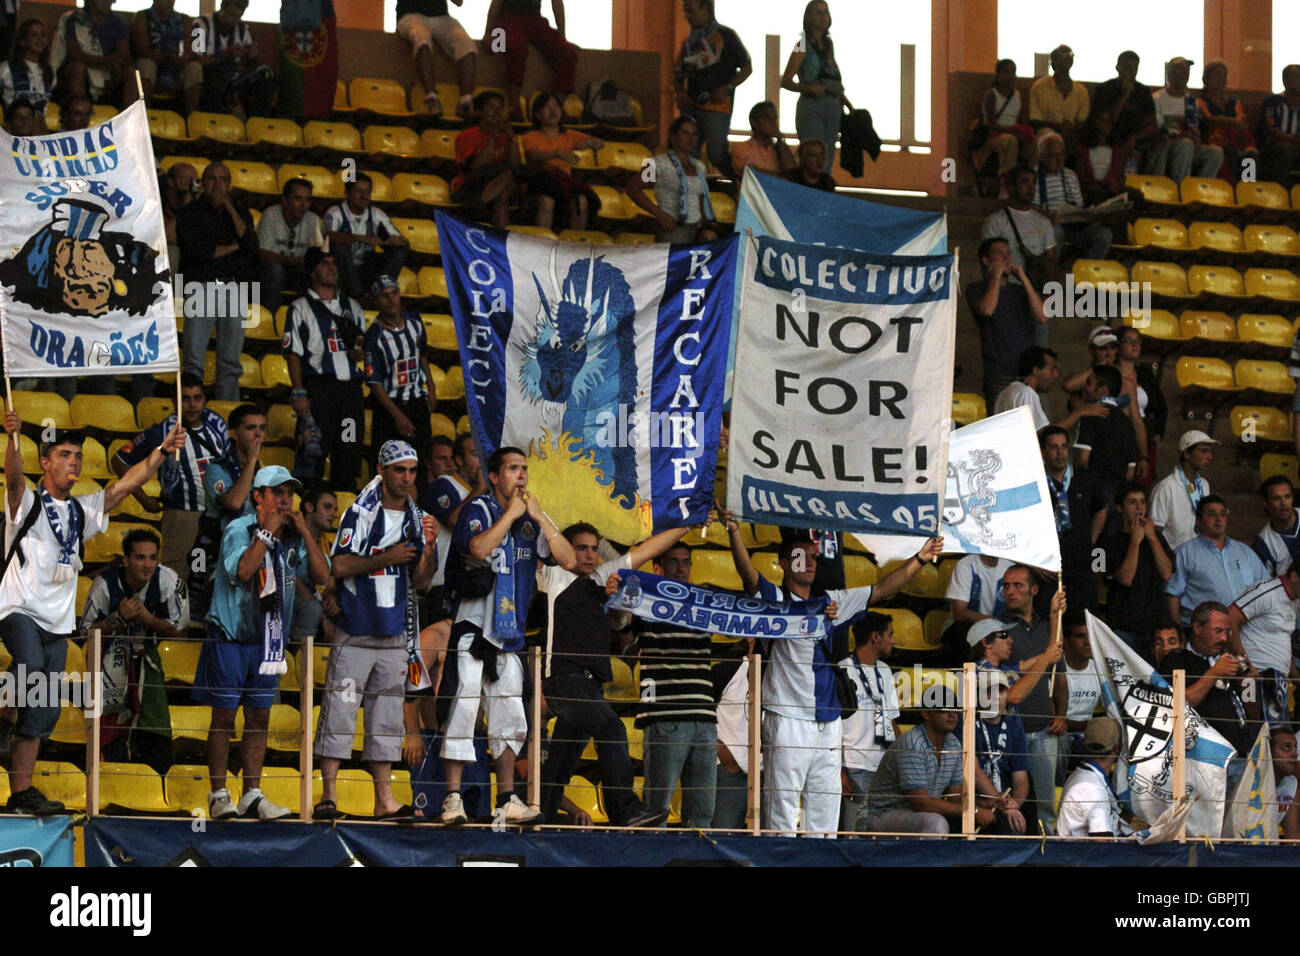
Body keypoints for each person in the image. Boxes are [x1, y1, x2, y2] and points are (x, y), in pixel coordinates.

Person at [1, 411, 184, 815]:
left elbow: (125, 484)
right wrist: (13, 440)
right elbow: (13, 480)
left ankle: (21, 792)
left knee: (44, 706)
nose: (74, 462)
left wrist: (161, 451)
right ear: (45, 462)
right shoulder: (28, 502)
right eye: (64, 454)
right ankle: (2, 712)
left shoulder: (81, 512)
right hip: (19, 609)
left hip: (57, 622)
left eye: (78, 456)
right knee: (29, 667)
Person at [729, 520, 943, 837]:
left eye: (814, 557)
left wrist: (920, 559)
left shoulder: (832, 602)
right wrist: (734, 532)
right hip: (788, 717)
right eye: (801, 556)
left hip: (829, 722)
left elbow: (883, 589)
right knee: (782, 815)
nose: (810, 562)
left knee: (825, 815)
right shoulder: (775, 599)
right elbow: (748, 576)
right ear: (784, 563)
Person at [438, 446, 575, 826]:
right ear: (495, 476)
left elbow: (569, 560)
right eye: (513, 469)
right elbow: (479, 548)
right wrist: (512, 514)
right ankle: (452, 799)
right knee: (462, 708)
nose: (521, 476)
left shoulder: (532, 518)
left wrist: (540, 519)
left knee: (510, 715)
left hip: (509, 633)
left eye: (524, 469)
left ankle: (507, 798)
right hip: (473, 627)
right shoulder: (478, 509)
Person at [196, 465, 331, 820]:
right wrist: (266, 535)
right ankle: (218, 793)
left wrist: (305, 530)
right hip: (231, 635)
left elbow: (322, 576)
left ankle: (251, 794)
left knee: (259, 717)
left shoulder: (294, 534)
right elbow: (242, 571)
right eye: (278, 493)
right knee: (224, 717)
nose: (286, 500)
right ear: (259, 496)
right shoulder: (238, 529)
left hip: (268, 642)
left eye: (290, 493)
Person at [315, 441, 439, 820]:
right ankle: (328, 796)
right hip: (356, 630)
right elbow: (338, 566)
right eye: (399, 470)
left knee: (386, 719)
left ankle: (384, 800)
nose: (406, 478)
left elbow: (421, 581)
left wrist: (429, 546)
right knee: (340, 711)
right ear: (383, 472)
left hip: (394, 635)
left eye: (412, 471)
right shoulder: (359, 512)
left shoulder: (418, 519)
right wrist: (388, 558)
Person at [538, 523, 689, 828]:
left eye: (595, 548)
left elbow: (648, 550)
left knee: (560, 763)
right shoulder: (553, 577)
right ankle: (624, 811)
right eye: (582, 547)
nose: (591, 555)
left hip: (590, 684)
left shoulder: (604, 579)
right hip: (565, 679)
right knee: (612, 728)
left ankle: (542, 818)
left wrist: (687, 526)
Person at [623, 540, 718, 827]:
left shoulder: (705, 600)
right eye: (674, 561)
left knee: (703, 814)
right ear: (658, 566)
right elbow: (621, 625)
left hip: (704, 718)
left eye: (686, 561)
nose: (681, 568)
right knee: (656, 811)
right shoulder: (644, 600)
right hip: (664, 716)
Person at [79, 528, 188, 774]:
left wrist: (147, 619)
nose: (147, 564)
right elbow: (87, 632)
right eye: (140, 557)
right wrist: (118, 618)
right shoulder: (104, 585)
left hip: (146, 658)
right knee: (108, 728)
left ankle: (154, 781)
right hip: (108, 659)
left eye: (152, 557)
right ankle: (108, 780)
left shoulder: (168, 580)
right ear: (126, 560)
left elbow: (176, 629)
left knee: (156, 726)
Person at [112, 372, 231, 586]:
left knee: (213, 581)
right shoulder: (163, 432)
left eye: (197, 398)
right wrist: (144, 499)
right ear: (174, 401)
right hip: (182, 518)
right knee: (176, 580)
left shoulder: (218, 425)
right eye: (185, 399)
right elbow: (120, 460)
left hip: (219, 517)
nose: (192, 405)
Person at [283, 247, 368, 494]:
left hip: (351, 395)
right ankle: (308, 506)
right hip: (320, 391)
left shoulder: (352, 306)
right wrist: (298, 392)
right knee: (313, 454)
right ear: (312, 272)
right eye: (324, 263)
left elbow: (360, 346)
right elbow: (293, 352)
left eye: (333, 263)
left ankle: (345, 509)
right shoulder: (299, 307)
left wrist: (358, 354)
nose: (331, 267)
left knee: (349, 450)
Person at [176, 161, 258, 402]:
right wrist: (235, 245)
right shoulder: (190, 212)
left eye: (223, 179)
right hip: (200, 286)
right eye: (212, 178)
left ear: (229, 185)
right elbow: (197, 252)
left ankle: (228, 410)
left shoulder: (240, 212)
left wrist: (230, 210)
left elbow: (252, 248)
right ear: (202, 182)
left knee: (231, 362)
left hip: (234, 287)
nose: (217, 184)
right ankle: (189, 409)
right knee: (193, 359)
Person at [1161, 601, 1261, 792]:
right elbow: (1179, 705)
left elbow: (1253, 715)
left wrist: (1248, 683)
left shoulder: (1230, 661)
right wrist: (1214, 673)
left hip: (1241, 756)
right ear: (1198, 627)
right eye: (1218, 631)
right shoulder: (1177, 659)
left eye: (1228, 632)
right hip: (1204, 763)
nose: (1224, 638)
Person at [998, 564, 1068, 833]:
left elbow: (1058, 675)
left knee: (1046, 806)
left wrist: (1061, 714)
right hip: (1009, 729)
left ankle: (1047, 855)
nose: (1010, 591)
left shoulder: (1047, 627)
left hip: (1042, 729)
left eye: (1017, 585)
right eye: (1005, 585)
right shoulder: (998, 630)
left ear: (1034, 590)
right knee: (1007, 803)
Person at [864, 691, 992, 835]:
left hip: (917, 815)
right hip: (883, 815)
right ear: (926, 713)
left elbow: (954, 796)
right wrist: (973, 811)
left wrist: (984, 804)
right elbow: (921, 803)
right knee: (935, 823)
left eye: (955, 709)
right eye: (944, 709)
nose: (952, 714)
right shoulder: (912, 743)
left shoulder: (953, 743)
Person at [364, 274, 436, 473]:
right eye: (384, 295)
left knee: (421, 462)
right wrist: (398, 416)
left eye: (394, 293)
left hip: (417, 402)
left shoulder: (415, 321)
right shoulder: (373, 336)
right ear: (376, 301)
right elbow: (374, 382)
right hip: (389, 408)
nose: (391, 299)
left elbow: (422, 356)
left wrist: (431, 388)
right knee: (388, 467)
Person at [966, 237, 1047, 408]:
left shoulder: (1019, 290)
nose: (1006, 258)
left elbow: (1041, 317)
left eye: (1008, 254)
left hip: (1026, 372)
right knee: (1001, 426)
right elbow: (987, 309)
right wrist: (995, 275)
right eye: (999, 254)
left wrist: (1024, 279)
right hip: (998, 371)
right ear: (986, 260)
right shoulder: (976, 289)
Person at [839, 612, 901, 832]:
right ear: (875, 637)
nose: (893, 640)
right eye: (890, 634)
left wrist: (901, 757)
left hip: (884, 767)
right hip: (854, 764)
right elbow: (830, 724)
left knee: (881, 832)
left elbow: (892, 719)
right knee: (855, 831)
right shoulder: (842, 669)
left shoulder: (884, 671)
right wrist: (838, 770)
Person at [674, 0, 750, 177]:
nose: (687, 17)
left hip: (716, 107)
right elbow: (678, 72)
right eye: (685, 12)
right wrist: (679, 93)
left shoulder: (726, 36)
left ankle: (740, 184)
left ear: (705, 8)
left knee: (716, 154)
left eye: (691, 11)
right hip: (691, 104)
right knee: (687, 154)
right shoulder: (688, 42)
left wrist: (728, 87)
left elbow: (747, 68)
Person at [1165, 495, 1268, 626]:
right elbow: (1173, 595)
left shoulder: (1244, 551)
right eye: (1212, 514)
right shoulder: (1184, 553)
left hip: (1245, 630)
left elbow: (1264, 587)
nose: (1218, 519)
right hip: (1203, 632)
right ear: (1198, 521)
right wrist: (1178, 629)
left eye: (1223, 514)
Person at [1099, 483, 1174, 655]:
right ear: (1119, 507)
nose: (1139, 507)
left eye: (1142, 502)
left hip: (1154, 625)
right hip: (1123, 625)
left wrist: (1152, 538)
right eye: (1133, 502)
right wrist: (1135, 541)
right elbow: (1125, 578)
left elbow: (1167, 573)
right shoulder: (1107, 542)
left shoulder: (1157, 538)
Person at [1040, 425, 1107, 616]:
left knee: (1082, 624)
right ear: (1043, 452)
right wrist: (1033, 565)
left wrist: (1090, 539)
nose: (1060, 453)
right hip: (1048, 568)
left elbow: (1101, 509)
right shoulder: (1034, 482)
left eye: (1063, 447)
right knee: (1051, 624)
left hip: (1081, 564)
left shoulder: (1084, 478)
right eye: (1054, 447)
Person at [957, 670, 1030, 834]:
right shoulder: (966, 722)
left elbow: (1021, 777)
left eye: (1001, 690)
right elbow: (972, 769)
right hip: (974, 801)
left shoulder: (1013, 725)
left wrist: (1014, 805)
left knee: (1015, 823)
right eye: (989, 691)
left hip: (1003, 803)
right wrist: (1002, 802)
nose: (996, 696)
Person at [626, 115, 719, 244]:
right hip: (673, 229)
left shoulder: (700, 166)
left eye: (694, 134)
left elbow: (702, 199)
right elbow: (633, 188)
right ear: (673, 136)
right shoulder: (657, 162)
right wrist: (659, 214)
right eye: (685, 133)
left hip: (698, 230)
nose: (690, 138)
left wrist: (708, 226)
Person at [519, 91, 603, 232]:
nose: (553, 111)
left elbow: (600, 143)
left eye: (556, 106)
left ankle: (576, 246)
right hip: (539, 186)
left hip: (563, 186)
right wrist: (557, 153)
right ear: (537, 114)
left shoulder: (568, 135)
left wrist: (590, 143)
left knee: (581, 200)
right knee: (547, 201)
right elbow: (533, 156)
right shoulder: (531, 136)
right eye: (547, 107)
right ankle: (542, 243)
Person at [780, 1, 848, 175]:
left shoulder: (828, 45)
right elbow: (786, 80)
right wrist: (808, 88)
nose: (823, 16)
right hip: (812, 105)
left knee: (827, 155)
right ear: (808, 17)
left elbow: (832, 78)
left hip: (833, 103)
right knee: (812, 154)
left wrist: (846, 103)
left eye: (825, 12)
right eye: (818, 13)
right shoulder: (802, 44)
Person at [1228, 567, 1300, 726]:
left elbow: (1279, 642)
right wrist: (1244, 663)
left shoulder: (1294, 600)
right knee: (1254, 732)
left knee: (1277, 739)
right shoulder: (1268, 591)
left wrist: (1296, 677)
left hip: (1277, 685)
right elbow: (1231, 616)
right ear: (1294, 576)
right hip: (1250, 679)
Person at [484, 0, 577, 122]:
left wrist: (562, 37)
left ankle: (557, 107)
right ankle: (514, 106)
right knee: (516, 47)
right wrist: (488, 32)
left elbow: (557, 2)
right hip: (508, 19)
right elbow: (496, 2)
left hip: (534, 20)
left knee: (568, 53)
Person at [323, 173, 407, 301]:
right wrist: (362, 238)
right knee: (339, 249)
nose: (364, 197)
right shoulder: (335, 212)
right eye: (359, 191)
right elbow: (329, 237)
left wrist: (390, 242)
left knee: (399, 251)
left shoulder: (376, 214)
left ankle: (382, 291)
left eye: (367, 192)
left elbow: (403, 242)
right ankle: (358, 297)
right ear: (347, 193)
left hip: (366, 271)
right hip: (340, 273)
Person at [979, 164, 1057, 299]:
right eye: (1024, 182)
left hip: (1035, 292)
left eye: (1033, 183)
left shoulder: (1044, 222)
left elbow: (1051, 261)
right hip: (1006, 291)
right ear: (1010, 187)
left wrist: (1046, 297)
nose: (1031, 188)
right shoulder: (995, 221)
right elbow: (988, 262)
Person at [1033, 131, 1111, 260]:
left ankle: (1088, 274)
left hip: (1074, 226)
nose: (1059, 161)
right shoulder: (1034, 177)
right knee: (1054, 231)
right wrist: (1048, 217)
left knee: (1104, 234)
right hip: (1051, 226)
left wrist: (1090, 214)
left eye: (1062, 155)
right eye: (1053, 156)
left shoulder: (1071, 176)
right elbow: (1032, 209)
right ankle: (1051, 274)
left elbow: (1079, 207)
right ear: (1042, 157)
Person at [995, 346, 1110, 433]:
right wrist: (1081, 412)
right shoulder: (1026, 392)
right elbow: (1045, 434)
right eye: (1052, 369)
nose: (1056, 375)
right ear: (1036, 370)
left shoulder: (1007, 391)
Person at [192, 0, 275, 119]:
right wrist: (225, 54)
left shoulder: (244, 29)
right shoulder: (200, 25)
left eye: (239, 16)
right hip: (210, 77)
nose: (234, 21)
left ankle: (256, 123)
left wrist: (255, 57)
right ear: (222, 8)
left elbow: (257, 59)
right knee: (217, 71)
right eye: (231, 15)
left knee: (266, 73)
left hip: (236, 80)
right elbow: (196, 61)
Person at [450, 90, 520, 230]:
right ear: (479, 112)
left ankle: (479, 205)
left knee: (506, 184)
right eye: (492, 107)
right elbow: (473, 167)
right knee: (504, 183)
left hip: (495, 186)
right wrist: (493, 138)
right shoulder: (466, 136)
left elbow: (516, 166)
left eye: (500, 108)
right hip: (470, 186)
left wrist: (511, 138)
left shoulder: (506, 137)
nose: (497, 112)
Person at [394, 0, 476, 119]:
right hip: (410, 15)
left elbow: (459, 2)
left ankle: (466, 100)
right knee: (421, 39)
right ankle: (431, 98)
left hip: (441, 17)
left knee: (466, 44)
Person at [1072, 364, 1140, 502]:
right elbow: (1130, 472)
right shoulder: (1128, 423)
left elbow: (1081, 461)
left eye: (1089, 383)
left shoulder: (1090, 415)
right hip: (1118, 500)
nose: (1084, 386)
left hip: (1093, 498)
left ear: (1103, 390)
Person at [257, 176, 324, 312]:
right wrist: (293, 261)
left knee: (316, 273)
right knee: (274, 270)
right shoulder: (271, 215)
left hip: (298, 271)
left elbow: (318, 257)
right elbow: (262, 253)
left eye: (307, 200)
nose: (303, 205)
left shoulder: (314, 220)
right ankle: (270, 318)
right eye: (298, 198)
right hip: (269, 270)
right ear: (285, 200)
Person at [1091, 51, 1163, 177]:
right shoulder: (1104, 89)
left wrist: (1135, 137)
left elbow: (1153, 124)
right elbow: (1104, 122)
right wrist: (1124, 97)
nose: (1131, 72)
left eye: (1135, 69)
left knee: (1160, 142)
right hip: (1111, 137)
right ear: (1118, 67)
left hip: (1135, 139)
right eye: (1127, 68)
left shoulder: (1143, 91)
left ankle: (1153, 181)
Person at [1152, 56, 1223, 183]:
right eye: (1180, 72)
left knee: (1215, 152)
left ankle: (1201, 188)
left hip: (1189, 143)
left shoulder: (1190, 100)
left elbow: (1193, 126)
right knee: (1185, 144)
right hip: (1166, 145)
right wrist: (1183, 132)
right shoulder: (1157, 98)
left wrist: (1196, 136)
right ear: (1170, 74)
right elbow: (1159, 127)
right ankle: (1181, 187)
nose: (1184, 76)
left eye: (1186, 72)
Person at [1056, 717, 1127, 837]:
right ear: (1117, 748)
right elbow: (1102, 843)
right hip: (1082, 854)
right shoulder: (1094, 790)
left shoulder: (1081, 773)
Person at [1114, 325, 1166, 486]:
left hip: (1145, 437)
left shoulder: (1145, 373)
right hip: (1118, 437)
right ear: (1118, 345)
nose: (1135, 345)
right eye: (1129, 341)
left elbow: (1161, 405)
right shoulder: (1109, 374)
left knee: (1142, 485)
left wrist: (1157, 434)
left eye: (1138, 341)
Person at [52, 0, 129, 106]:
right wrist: (104, 61)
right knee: (78, 67)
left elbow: (123, 55)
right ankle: (78, 111)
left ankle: (129, 117)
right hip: (83, 71)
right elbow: (74, 55)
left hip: (108, 72)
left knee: (129, 72)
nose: (109, 2)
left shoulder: (119, 22)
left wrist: (112, 63)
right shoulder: (75, 19)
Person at [711, 638, 753, 829]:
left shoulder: (781, 675)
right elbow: (700, 715)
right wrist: (720, 750)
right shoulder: (726, 671)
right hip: (730, 771)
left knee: (767, 843)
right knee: (724, 839)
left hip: (767, 773)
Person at [1150, 430, 1217, 549]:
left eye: (1210, 451)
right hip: (1173, 559)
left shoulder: (1204, 485)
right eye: (1204, 451)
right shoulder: (1167, 487)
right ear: (1186, 453)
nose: (1210, 457)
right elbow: (1155, 531)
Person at [130, 0, 201, 111]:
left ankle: (191, 119)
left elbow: (193, 51)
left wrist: (183, 58)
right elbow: (140, 49)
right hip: (152, 62)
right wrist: (165, 56)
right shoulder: (142, 16)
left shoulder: (185, 19)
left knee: (195, 68)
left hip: (176, 67)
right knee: (147, 65)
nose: (169, 2)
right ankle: (143, 114)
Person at [972, 59, 1035, 178]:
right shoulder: (992, 95)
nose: (1011, 76)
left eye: (1013, 72)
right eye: (1006, 72)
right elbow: (992, 125)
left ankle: (1029, 180)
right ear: (998, 75)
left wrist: (1023, 133)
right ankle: (1006, 180)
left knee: (1035, 145)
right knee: (1009, 140)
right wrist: (1011, 131)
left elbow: (1023, 121)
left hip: (1013, 133)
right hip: (994, 135)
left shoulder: (1018, 96)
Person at [1196, 59, 1256, 183]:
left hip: (1234, 135)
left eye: (1225, 75)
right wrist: (1231, 122)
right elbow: (1210, 119)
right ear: (1207, 79)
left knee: (1249, 149)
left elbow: (1240, 118)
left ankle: (1248, 183)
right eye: (1218, 75)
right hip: (1212, 137)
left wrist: (1232, 123)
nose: (1222, 79)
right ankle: (1228, 183)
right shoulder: (1201, 101)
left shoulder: (1234, 101)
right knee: (1220, 137)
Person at [1053, 618, 1103, 768]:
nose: (1088, 642)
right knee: (1059, 740)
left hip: (1086, 735)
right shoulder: (1055, 667)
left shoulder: (1099, 669)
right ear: (1066, 642)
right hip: (1060, 734)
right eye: (1081, 636)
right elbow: (1052, 718)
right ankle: (1057, 789)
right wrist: (1089, 725)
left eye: (1090, 636)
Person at [942, 554, 1010, 654]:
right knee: (961, 631)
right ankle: (966, 669)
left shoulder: (1010, 568)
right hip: (968, 626)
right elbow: (960, 614)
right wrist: (994, 621)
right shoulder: (965, 565)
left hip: (997, 627)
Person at [1028, 45, 1089, 137]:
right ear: (1052, 63)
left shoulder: (1081, 91)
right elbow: (1035, 121)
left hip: (1073, 135)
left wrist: (1069, 129)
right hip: (1045, 136)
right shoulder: (1039, 87)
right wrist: (1059, 127)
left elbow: (1083, 121)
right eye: (1060, 57)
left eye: (1067, 58)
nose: (1064, 62)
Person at [1, 19, 55, 120]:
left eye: (43, 35)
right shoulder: (6, 69)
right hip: (13, 126)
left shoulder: (49, 71)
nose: (40, 39)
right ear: (22, 41)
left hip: (39, 127)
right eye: (34, 35)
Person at [730, 99, 796, 179]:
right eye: (766, 117)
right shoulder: (740, 147)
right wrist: (781, 177)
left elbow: (792, 175)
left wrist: (780, 140)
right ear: (753, 122)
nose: (772, 122)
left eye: (775, 118)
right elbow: (750, 173)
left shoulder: (780, 149)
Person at [1258, 64, 1300, 188]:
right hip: (1273, 147)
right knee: (1285, 149)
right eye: (1297, 78)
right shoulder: (1272, 102)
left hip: (1294, 145)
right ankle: (1283, 194)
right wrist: (1293, 140)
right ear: (1285, 81)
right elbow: (1271, 132)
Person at [1252, 475, 1300, 576]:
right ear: (1266, 503)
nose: (1284, 503)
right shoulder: (1262, 544)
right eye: (1277, 498)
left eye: (1287, 496)